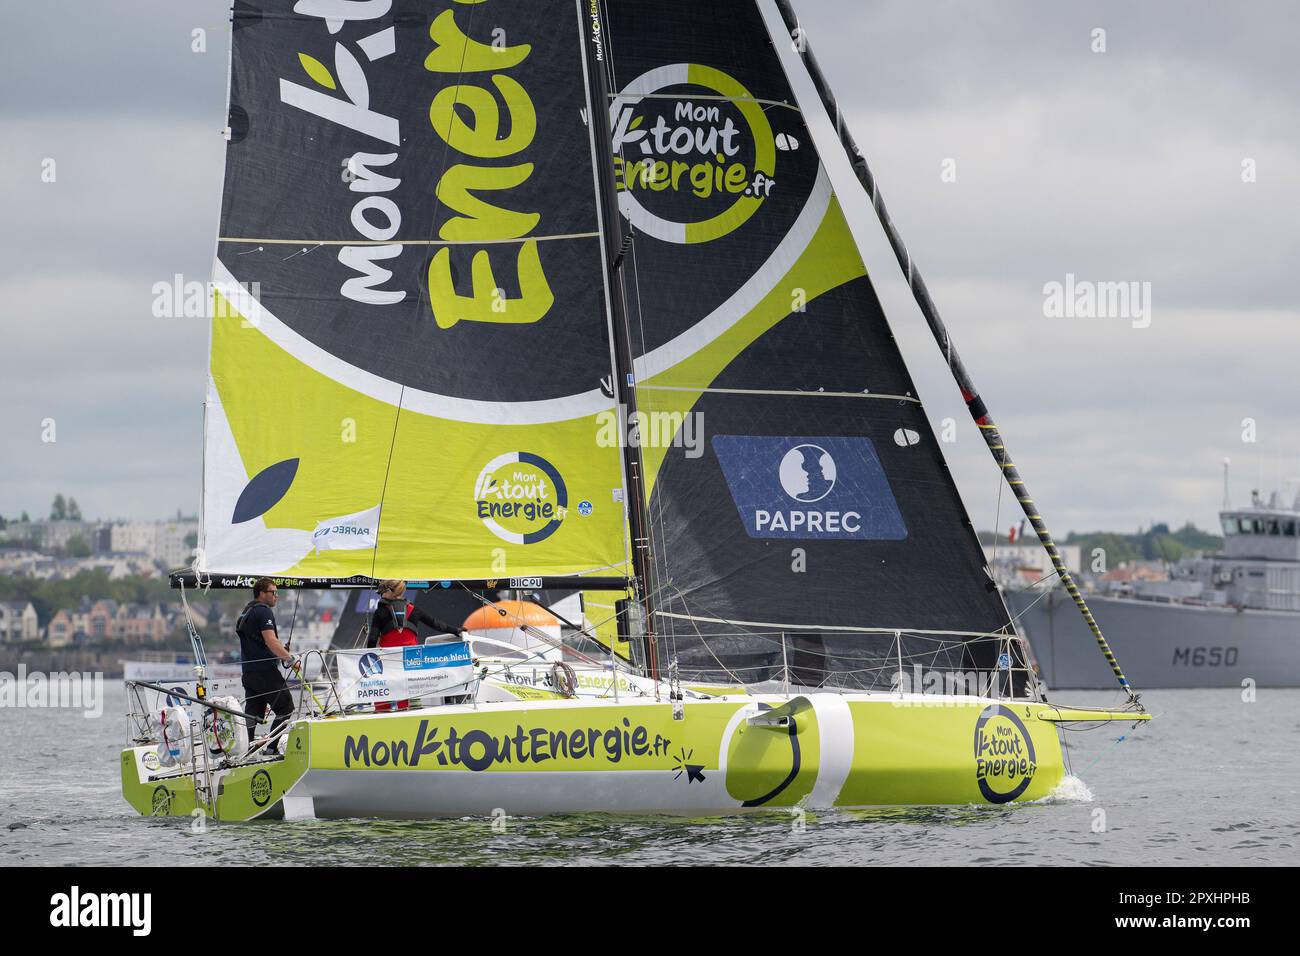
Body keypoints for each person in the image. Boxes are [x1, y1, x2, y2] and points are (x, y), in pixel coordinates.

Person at [367, 580, 467, 712]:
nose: (380, 596)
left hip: (388, 659)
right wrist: (456, 630)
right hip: (412, 659)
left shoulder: (380, 612)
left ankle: (381, 713)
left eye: (381, 593)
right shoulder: (414, 610)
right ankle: (408, 712)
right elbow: (436, 624)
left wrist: (368, 656)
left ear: (389, 592)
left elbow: (373, 638)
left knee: (384, 689)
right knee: (408, 687)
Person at [236, 577, 295, 753]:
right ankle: (271, 748)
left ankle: (247, 751)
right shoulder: (263, 611)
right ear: (262, 594)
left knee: (253, 714)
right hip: (264, 672)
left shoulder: (247, 611)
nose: (276, 596)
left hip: (249, 673)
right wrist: (289, 659)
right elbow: (270, 641)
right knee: (286, 707)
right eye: (273, 592)